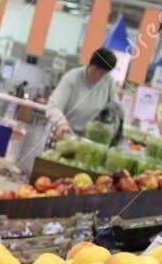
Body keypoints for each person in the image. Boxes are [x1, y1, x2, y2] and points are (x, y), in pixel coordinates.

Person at [15, 47, 120, 175]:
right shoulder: (73, 77)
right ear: (90, 64)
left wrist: (108, 124)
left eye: (103, 73)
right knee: (51, 175)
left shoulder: (108, 82)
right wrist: (62, 123)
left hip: (88, 143)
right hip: (63, 135)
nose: (99, 76)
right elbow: (53, 105)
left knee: (79, 180)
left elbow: (116, 108)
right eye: (96, 70)